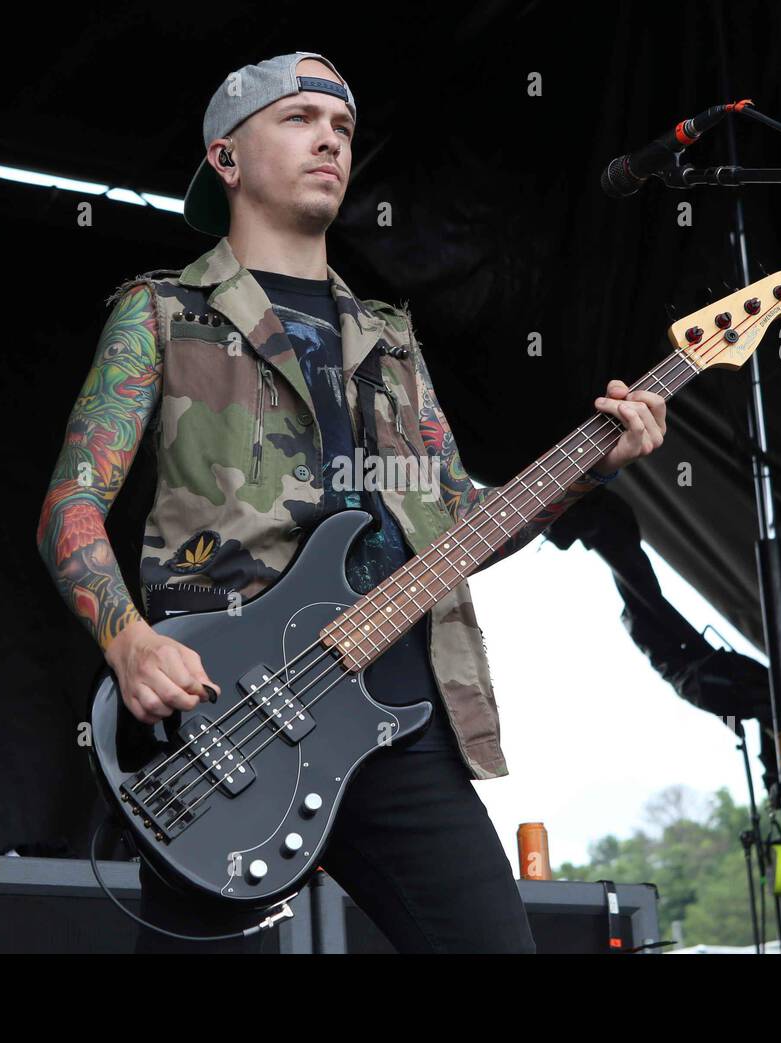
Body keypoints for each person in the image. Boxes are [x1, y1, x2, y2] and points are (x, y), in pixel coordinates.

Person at [36, 51, 668, 953]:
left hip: (399, 707)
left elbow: (463, 524)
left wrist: (593, 466)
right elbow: (72, 505)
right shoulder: (165, 312)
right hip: (226, 714)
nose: (329, 140)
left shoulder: (391, 340)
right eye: (298, 121)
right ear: (226, 157)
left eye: (340, 129)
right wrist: (127, 639)